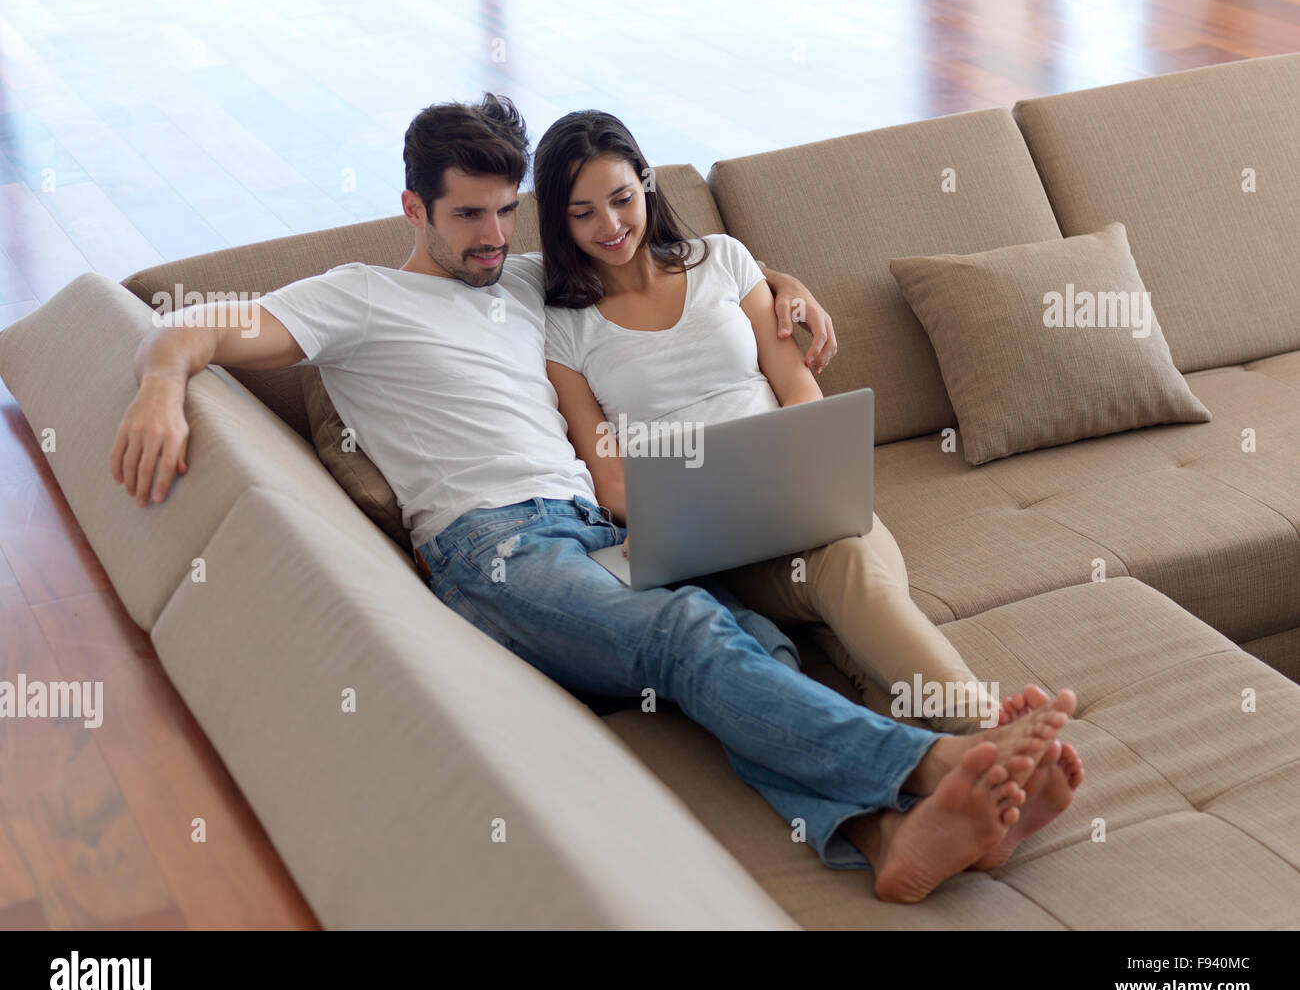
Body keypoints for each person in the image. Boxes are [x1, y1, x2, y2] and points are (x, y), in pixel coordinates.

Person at [109, 93, 1078, 902]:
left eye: (503, 213)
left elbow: (667, 266)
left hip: (590, 534)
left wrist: (783, 284)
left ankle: (882, 840)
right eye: (466, 218)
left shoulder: (527, 284)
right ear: (414, 208)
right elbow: (199, 327)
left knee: (757, 643)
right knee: (689, 639)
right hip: (490, 549)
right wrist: (160, 383)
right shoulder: (355, 298)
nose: (491, 239)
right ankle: (933, 762)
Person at [535, 109, 1008, 736]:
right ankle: (993, 732)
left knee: (851, 584)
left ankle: (956, 751)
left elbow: (796, 388)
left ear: (646, 184)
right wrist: (679, 515)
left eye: (622, 198)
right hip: (716, 545)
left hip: (800, 497)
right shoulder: (565, 326)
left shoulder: (724, 261)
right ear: (558, 221)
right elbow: (612, 480)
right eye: (583, 212)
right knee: (852, 570)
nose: (611, 224)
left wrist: (814, 473)